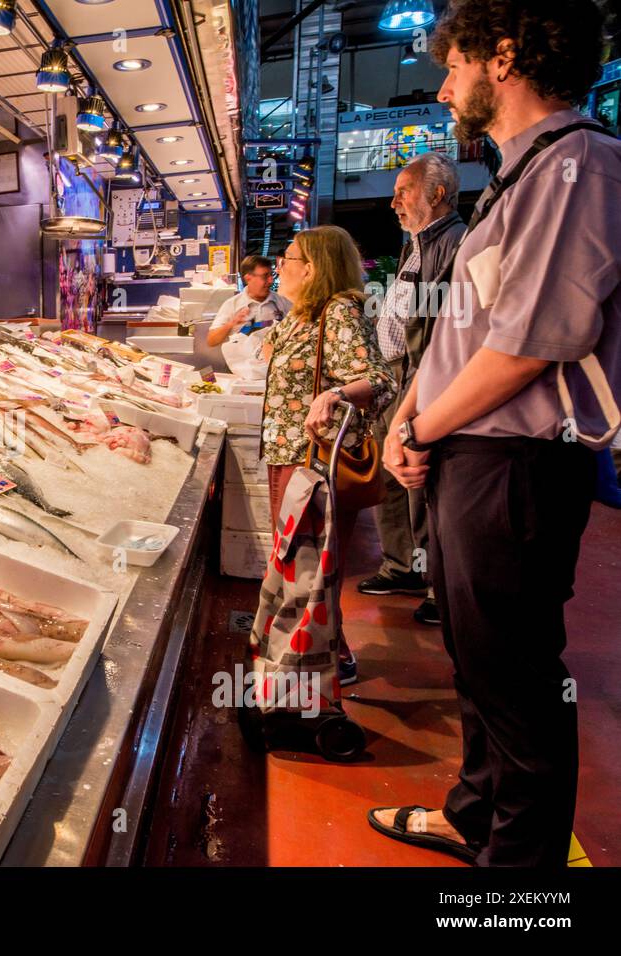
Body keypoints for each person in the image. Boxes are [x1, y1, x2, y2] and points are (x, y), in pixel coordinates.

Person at [369, 0, 621, 867]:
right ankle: (475, 814)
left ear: (504, 56)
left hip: (513, 463)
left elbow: (529, 343)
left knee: (519, 685)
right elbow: (464, 333)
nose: (443, 88)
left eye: (455, 64)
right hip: (469, 452)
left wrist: (424, 428)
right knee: (478, 666)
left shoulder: (577, 163)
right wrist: (408, 420)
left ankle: (521, 881)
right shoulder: (520, 173)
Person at [264, 226, 397, 686]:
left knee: (313, 565)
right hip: (286, 454)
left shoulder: (339, 312)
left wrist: (335, 394)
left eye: (287, 258)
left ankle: (327, 659)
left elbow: (380, 379)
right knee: (293, 561)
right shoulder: (301, 314)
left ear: (314, 266)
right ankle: (303, 649)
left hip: (314, 462)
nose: (279, 266)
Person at [357, 153, 466, 626]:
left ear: (436, 195)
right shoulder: (415, 244)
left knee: (425, 486)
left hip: (426, 381)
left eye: (404, 191)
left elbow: (448, 331)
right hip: (397, 375)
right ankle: (402, 567)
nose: (393, 202)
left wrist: (418, 399)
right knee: (390, 483)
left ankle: (440, 588)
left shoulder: (457, 243)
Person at [207, 255, 290, 348]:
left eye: (271, 275)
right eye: (265, 276)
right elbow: (211, 340)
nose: (270, 280)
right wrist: (232, 323)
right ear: (248, 278)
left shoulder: (282, 303)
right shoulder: (232, 304)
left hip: (274, 361)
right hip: (241, 361)